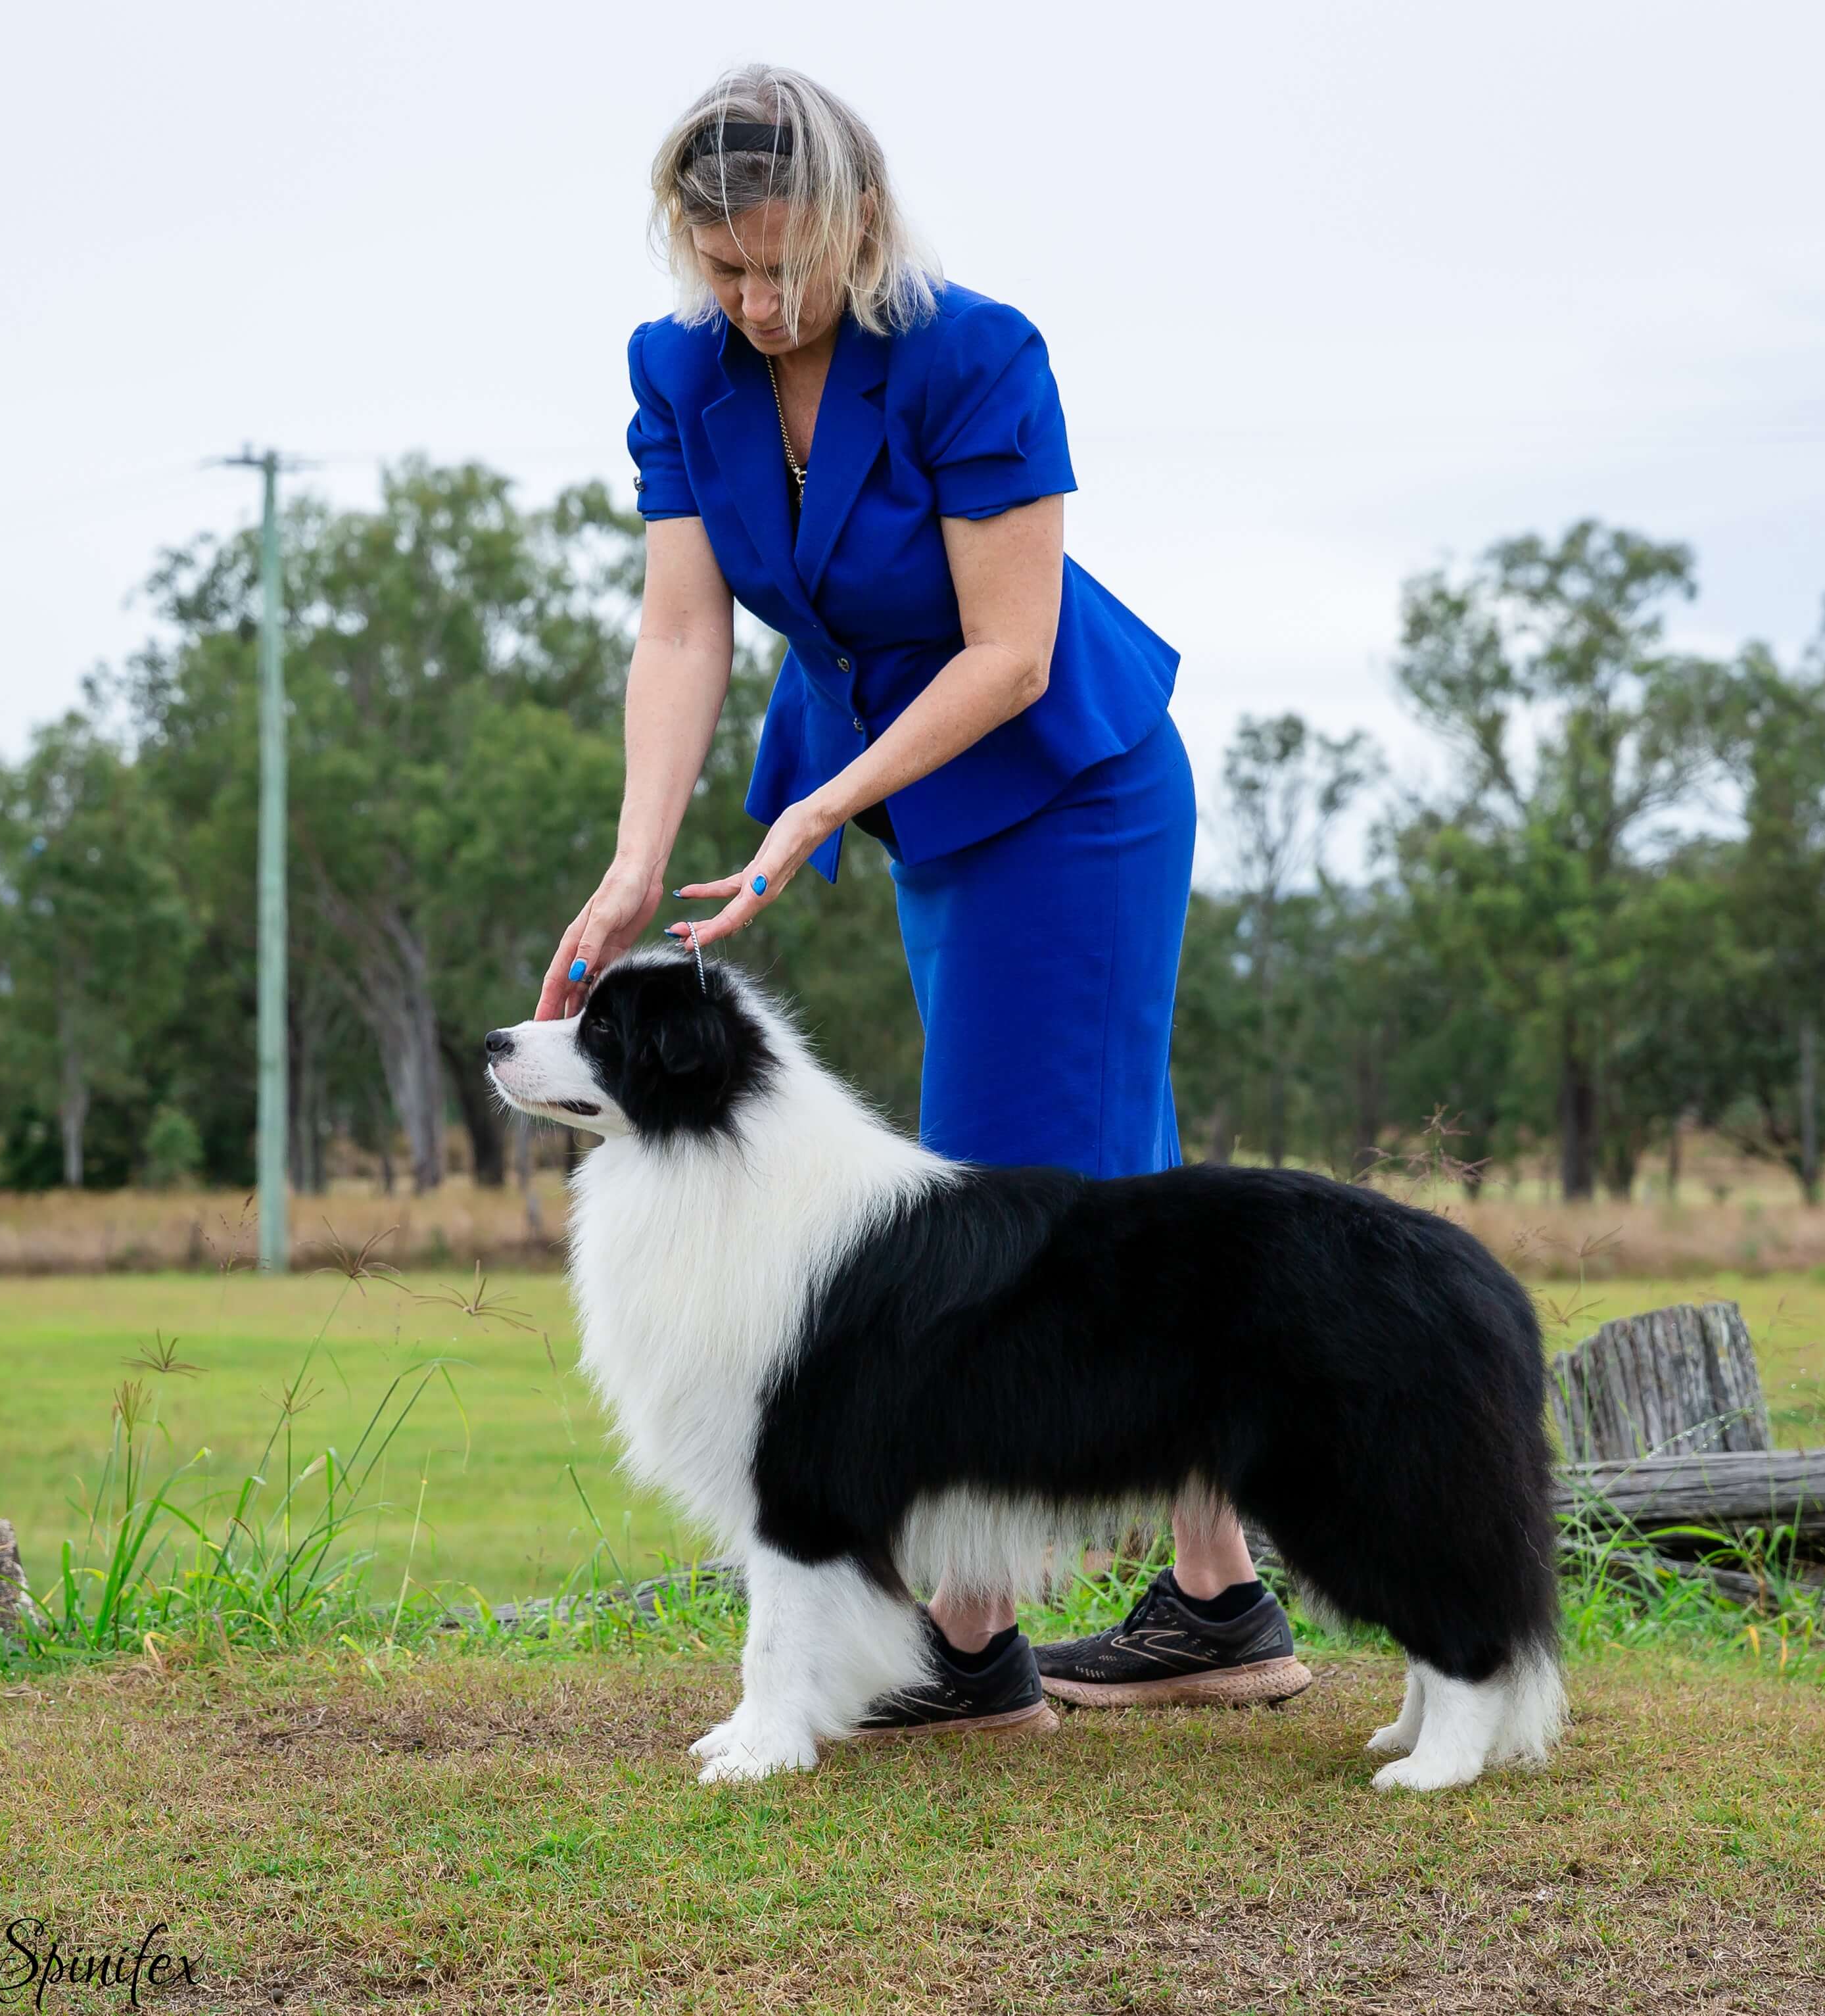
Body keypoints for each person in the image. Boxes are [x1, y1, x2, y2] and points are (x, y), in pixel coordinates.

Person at [536, 62, 1304, 1736]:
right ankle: (1219, 1595)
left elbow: (1012, 651)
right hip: (927, 813)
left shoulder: (972, 351)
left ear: (861, 220)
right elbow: (683, 632)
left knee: (1001, 1190)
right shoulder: (682, 375)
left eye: (783, 266)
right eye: (720, 268)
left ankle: (969, 1640)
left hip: (1071, 786)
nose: (752, 300)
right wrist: (633, 861)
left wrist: (819, 798)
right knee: (1112, 1170)